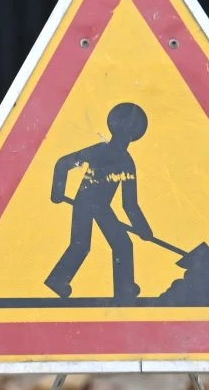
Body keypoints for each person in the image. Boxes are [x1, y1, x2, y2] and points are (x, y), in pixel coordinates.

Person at [44, 102, 152, 300]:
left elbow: (129, 203)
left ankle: (124, 288)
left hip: (101, 207)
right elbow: (63, 164)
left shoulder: (125, 161)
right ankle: (58, 280)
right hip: (85, 202)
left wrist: (143, 229)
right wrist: (57, 191)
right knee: (82, 244)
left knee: (121, 245)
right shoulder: (103, 152)